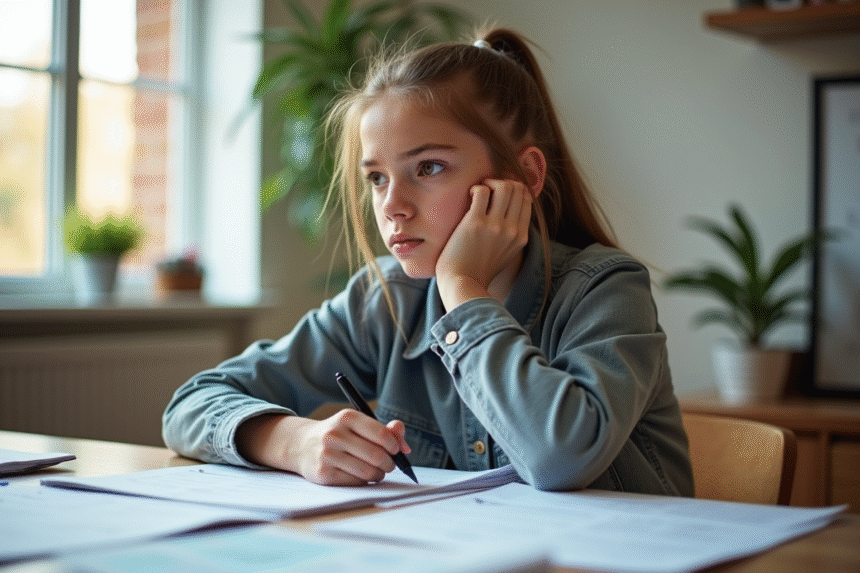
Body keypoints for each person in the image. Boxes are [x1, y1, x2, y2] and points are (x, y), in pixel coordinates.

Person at [162, 28, 694, 495]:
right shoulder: (385, 301)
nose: (392, 205)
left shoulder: (606, 291)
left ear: (527, 177)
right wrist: (293, 440)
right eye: (376, 177)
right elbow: (191, 403)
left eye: (429, 167)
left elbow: (559, 458)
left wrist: (462, 285)